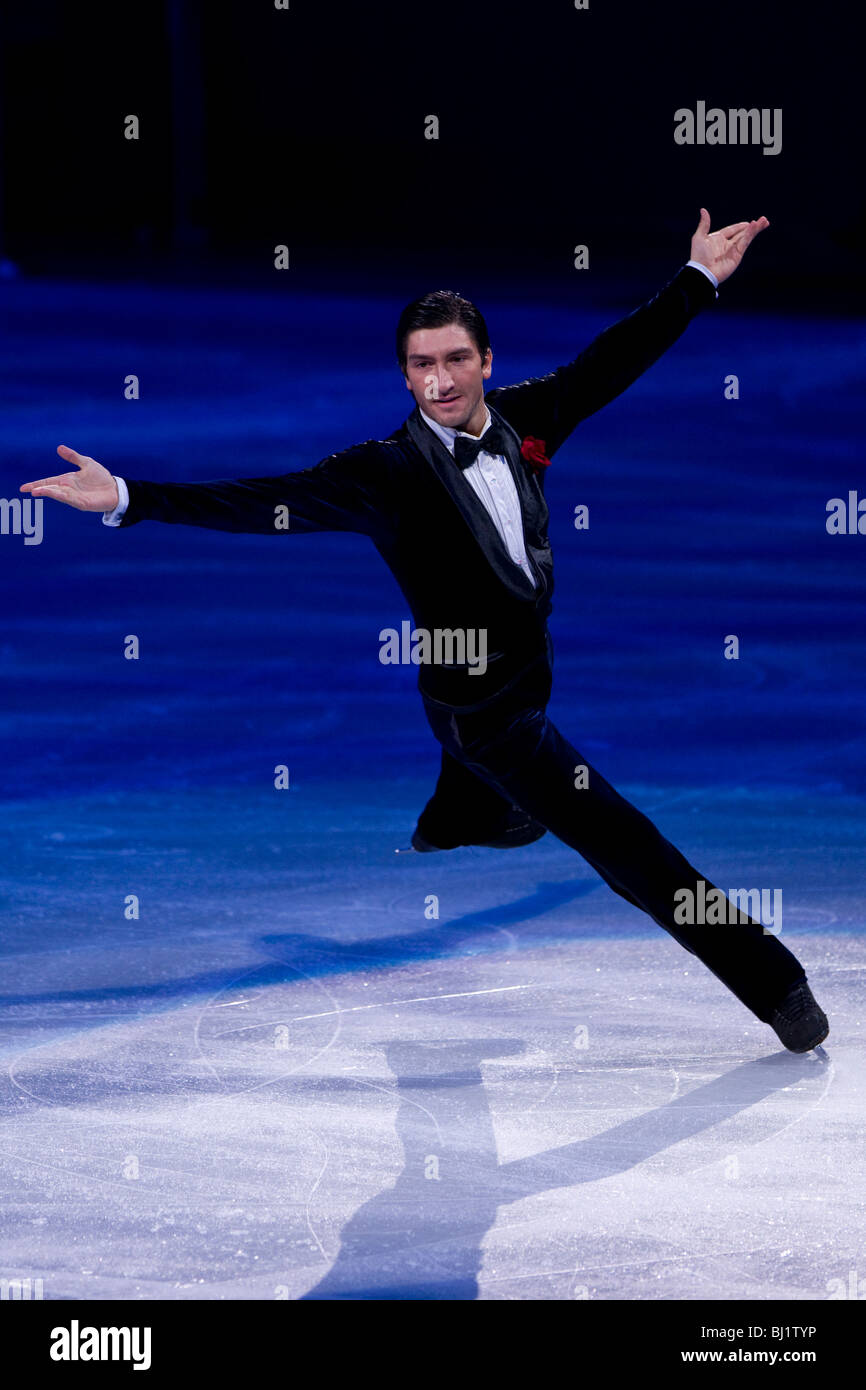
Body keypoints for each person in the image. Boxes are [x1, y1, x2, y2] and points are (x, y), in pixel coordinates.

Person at [21, 209, 829, 1053]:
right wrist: (127, 498)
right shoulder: (385, 474)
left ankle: (466, 818)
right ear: (404, 376)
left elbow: (612, 361)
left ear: (486, 361)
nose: (439, 381)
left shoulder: (529, 421)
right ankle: (779, 987)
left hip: (507, 684)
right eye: (420, 365)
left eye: (453, 360)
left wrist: (695, 280)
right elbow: (260, 501)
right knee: (624, 840)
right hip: (487, 711)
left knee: (484, 802)